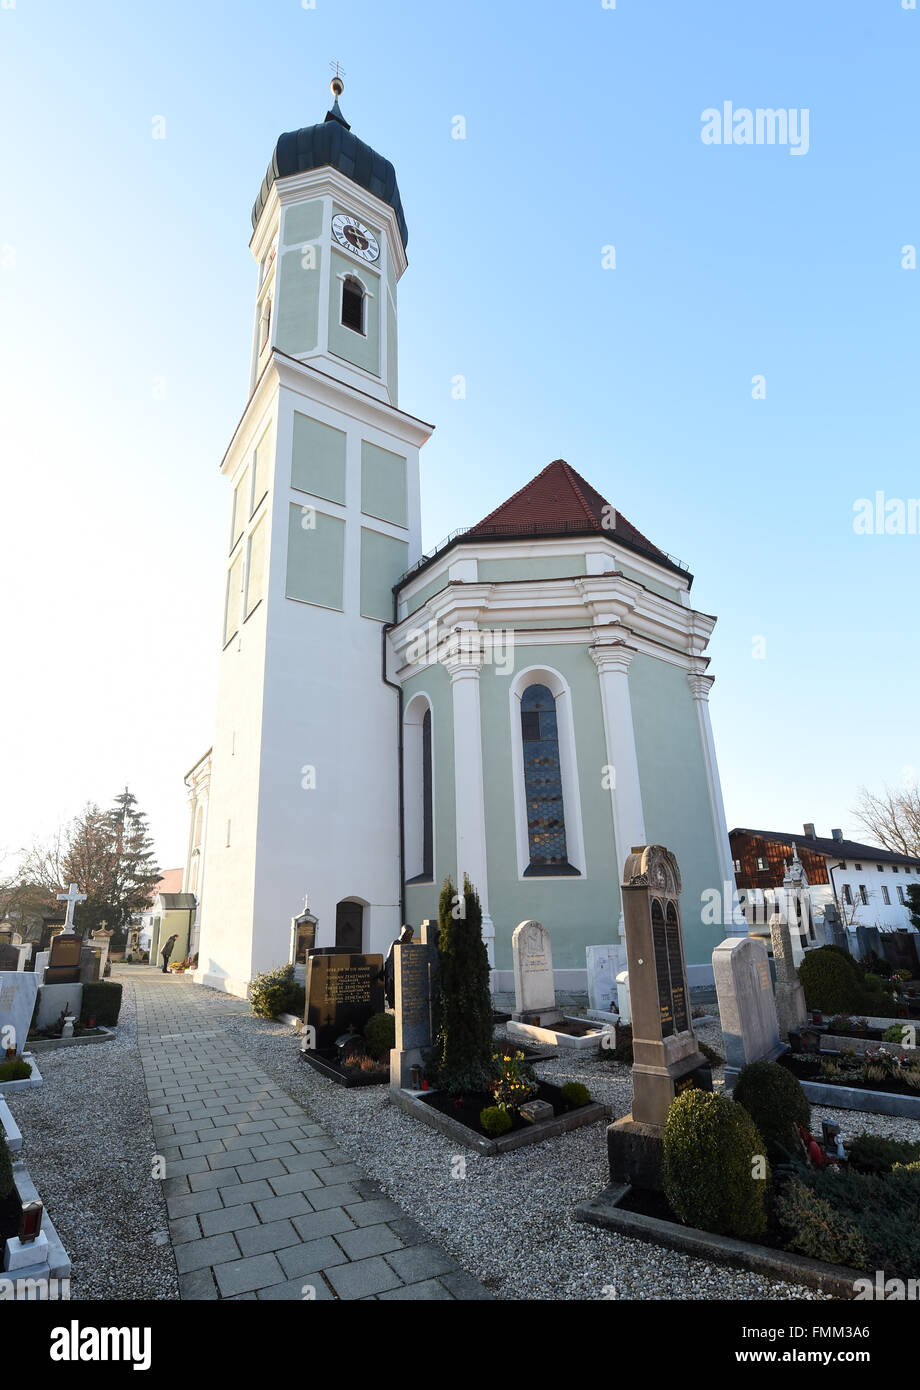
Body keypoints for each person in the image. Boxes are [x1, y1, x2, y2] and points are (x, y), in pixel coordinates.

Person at [383, 924, 414, 1009]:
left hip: (407, 973)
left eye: (410, 934)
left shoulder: (411, 944)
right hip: (395, 972)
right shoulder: (395, 943)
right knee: (391, 982)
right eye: (407, 934)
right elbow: (389, 961)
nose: (409, 936)